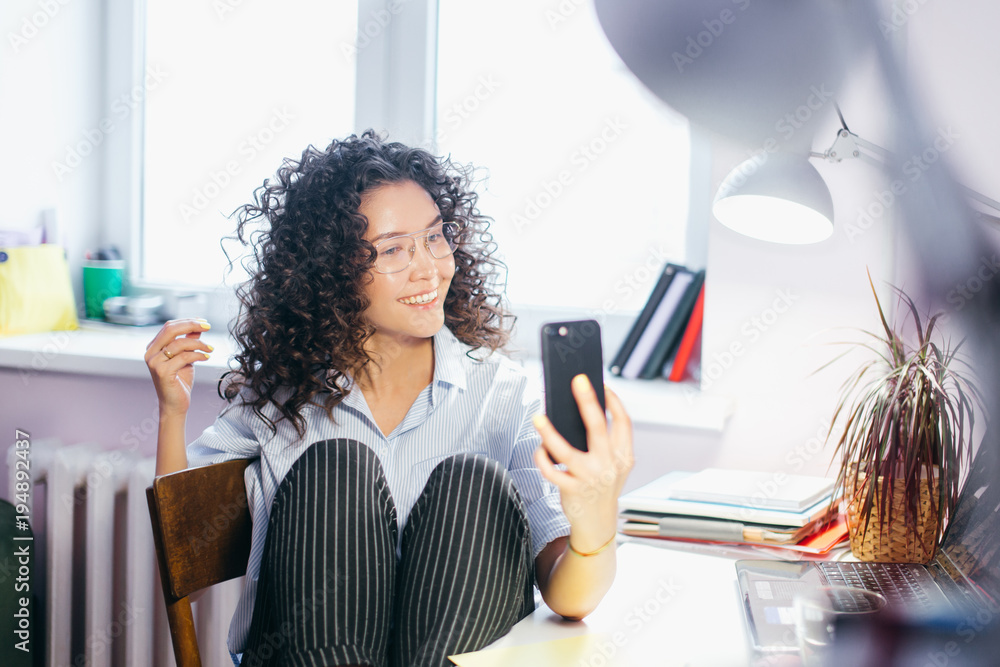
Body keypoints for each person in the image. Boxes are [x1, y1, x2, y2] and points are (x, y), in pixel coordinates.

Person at [144, 130, 633, 667]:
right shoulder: (282, 402)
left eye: (435, 237)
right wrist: (173, 411)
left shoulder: (504, 395)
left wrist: (595, 517)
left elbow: (570, 598)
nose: (428, 268)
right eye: (395, 249)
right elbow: (184, 543)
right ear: (332, 270)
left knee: (469, 482)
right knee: (335, 466)